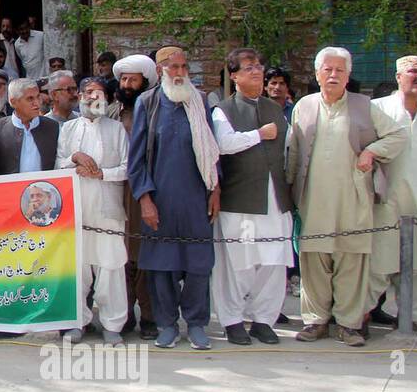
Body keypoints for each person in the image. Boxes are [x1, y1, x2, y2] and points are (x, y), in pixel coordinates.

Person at [287, 47, 407, 347]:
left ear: (348, 75)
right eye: (327, 69)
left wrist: (371, 151)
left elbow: (398, 135)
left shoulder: (364, 106)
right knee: (314, 260)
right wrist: (289, 194)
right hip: (313, 198)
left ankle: (349, 324)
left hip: (353, 197)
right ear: (317, 74)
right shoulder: (304, 105)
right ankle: (315, 321)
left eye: (339, 70)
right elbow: (293, 152)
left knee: (351, 260)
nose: (333, 75)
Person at [127, 47, 221, 350]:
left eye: (184, 67)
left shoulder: (200, 101)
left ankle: (196, 324)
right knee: (162, 268)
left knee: (198, 266)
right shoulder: (148, 102)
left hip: (195, 199)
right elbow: (137, 158)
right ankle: (167, 324)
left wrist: (215, 190)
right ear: (160, 71)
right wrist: (145, 199)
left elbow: (212, 150)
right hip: (161, 201)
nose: (180, 73)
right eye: (173, 68)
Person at [210, 49, 291, 346]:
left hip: (275, 198)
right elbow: (224, 144)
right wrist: (258, 134)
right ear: (234, 75)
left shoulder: (275, 108)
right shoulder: (224, 109)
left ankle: (263, 320)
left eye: (258, 66)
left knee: (273, 262)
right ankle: (232, 320)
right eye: (248, 68)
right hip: (241, 199)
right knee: (237, 264)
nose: (256, 71)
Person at [368, 56, 417, 329]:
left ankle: (414, 320)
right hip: (386, 199)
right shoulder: (377, 109)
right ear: (398, 76)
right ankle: (356, 317)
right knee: (377, 261)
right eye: (413, 71)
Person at [56, 77, 129, 344]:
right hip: (77, 208)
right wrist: (73, 161)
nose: (92, 97)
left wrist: (102, 174)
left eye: (98, 93)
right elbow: (57, 165)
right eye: (88, 92)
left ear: (107, 99)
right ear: (79, 96)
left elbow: (126, 167)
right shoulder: (68, 128)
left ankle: (113, 324)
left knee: (111, 267)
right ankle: (77, 321)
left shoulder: (117, 129)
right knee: (78, 268)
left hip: (107, 207)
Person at [111, 53, 158, 338]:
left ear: (146, 82)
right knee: (121, 256)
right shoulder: (111, 112)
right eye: (124, 79)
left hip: (144, 191)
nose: (127, 85)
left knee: (144, 256)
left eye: (133, 79)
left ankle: (150, 316)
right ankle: (124, 313)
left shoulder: (153, 111)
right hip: (115, 191)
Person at [0, 77, 59, 174]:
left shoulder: (53, 127)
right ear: (13, 102)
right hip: (10, 188)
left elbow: (61, 161)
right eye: (30, 99)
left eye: (38, 97)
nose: (37, 103)